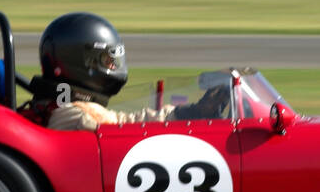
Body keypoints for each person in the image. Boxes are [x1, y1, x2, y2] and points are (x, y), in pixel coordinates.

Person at [19, 12, 228, 131]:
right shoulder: (73, 116)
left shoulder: (64, 105)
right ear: (80, 63)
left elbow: (123, 120)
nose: (113, 66)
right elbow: (126, 131)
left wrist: (188, 113)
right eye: (107, 60)